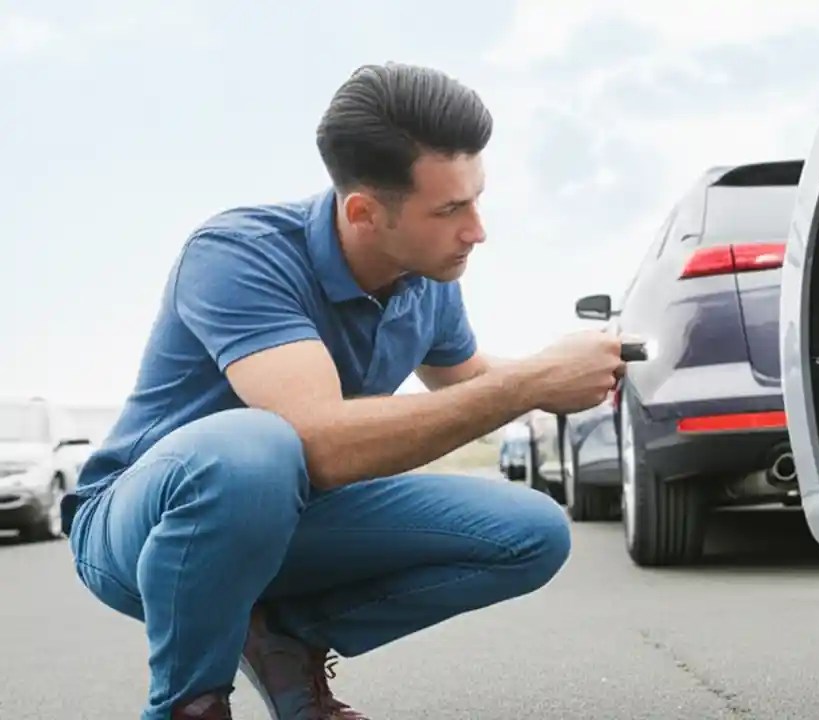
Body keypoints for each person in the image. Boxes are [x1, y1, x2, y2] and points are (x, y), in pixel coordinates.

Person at [63, 62, 626, 720]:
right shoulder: (239, 255)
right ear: (363, 211)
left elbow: (469, 381)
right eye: (449, 209)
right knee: (257, 448)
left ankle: (284, 639)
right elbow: (317, 444)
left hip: (291, 520)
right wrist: (527, 384)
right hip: (142, 526)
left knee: (532, 532)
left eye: (476, 198)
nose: (477, 229)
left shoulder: (430, 278)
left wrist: (567, 372)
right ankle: (191, 704)